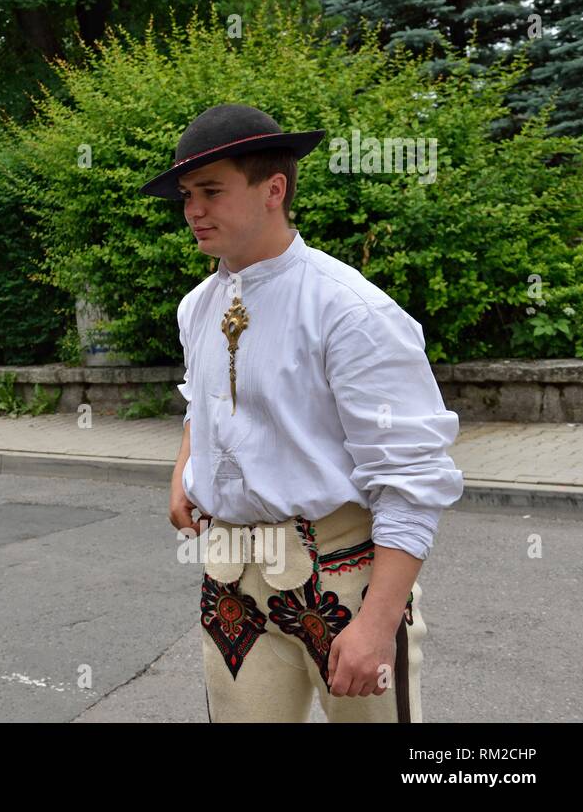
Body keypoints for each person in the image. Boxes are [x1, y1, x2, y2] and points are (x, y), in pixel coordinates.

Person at [141, 103, 463, 722]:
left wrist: (377, 624)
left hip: (344, 584)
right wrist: (185, 465)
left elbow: (412, 478)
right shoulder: (196, 308)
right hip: (230, 585)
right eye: (186, 195)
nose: (192, 211)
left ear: (274, 190)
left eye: (210, 191)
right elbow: (202, 397)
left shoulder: (348, 310)